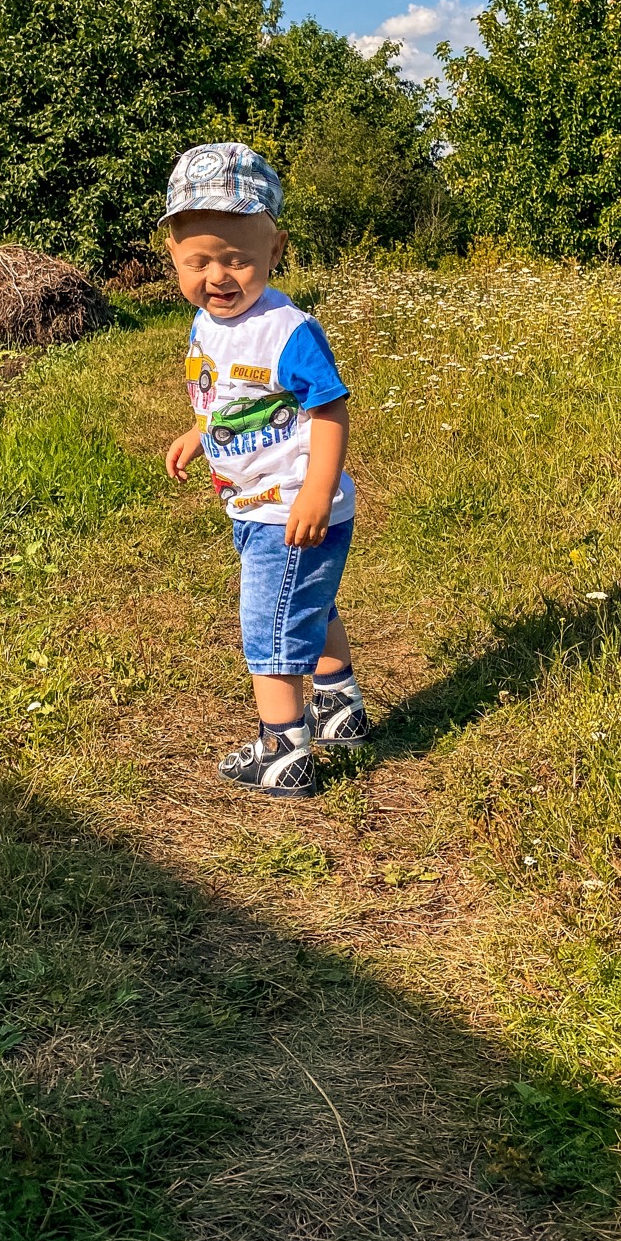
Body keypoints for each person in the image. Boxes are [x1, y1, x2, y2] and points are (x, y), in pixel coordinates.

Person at [162, 141, 367, 797]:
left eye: (237, 259)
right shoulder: (207, 324)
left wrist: (316, 489)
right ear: (173, 257)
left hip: (291, 509)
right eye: (199, 261)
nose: (217, 275)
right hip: (258, 505)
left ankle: (284, 756)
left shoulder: (286, 329)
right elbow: (231, 398)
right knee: (312, 605)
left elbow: (329, 411)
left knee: (270, 631)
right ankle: (340, 711)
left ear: (273, 253)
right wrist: (200, 432)